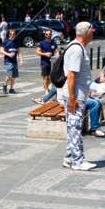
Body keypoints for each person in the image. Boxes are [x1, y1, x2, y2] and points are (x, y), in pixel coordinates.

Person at [62, 21, 95, 171]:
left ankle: (69, 158)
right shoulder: (76, 49)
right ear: (86, 33)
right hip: (74, 96)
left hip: (77, 94)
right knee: (75, 128)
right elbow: (71, 75)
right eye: (91, 29)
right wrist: (72, 99)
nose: (94, 31)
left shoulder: (78, 47)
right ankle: (77, 161)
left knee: (72, 127)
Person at [36, 27, 58, 98]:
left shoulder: (53, 43)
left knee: (52, 78)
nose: (48, 35)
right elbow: (37, 51)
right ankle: (46, 90)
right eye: (47, 34)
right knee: (45, 77)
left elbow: (56, 51)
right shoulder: (42, 43)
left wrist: (57, 54)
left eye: (49, 34)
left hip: (52, 62)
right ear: (45, 35)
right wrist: (45, 54)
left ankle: (46, 86)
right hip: (44, 62)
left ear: (51, 35)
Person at [1, 28, 19, 94]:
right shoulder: (6, 41)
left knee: (14, 76)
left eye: (14, 34)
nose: (12, 35)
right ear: (9, 34)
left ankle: (11, 89)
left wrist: (21, 59)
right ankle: (4, 86)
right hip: (8, 61)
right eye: (11, 34)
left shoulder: (16, 42)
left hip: (14, 61)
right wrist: (8, 54)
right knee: (9, 75)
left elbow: (18, 51)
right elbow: (1, 50)